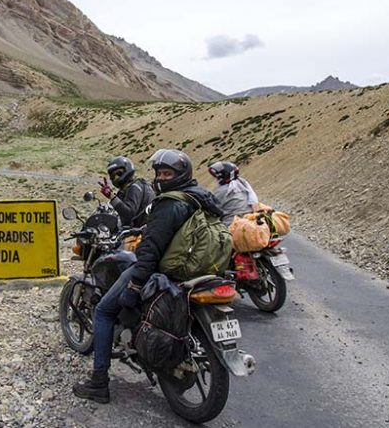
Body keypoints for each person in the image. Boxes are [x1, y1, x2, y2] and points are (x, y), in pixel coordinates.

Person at [73, 149, 223, 403]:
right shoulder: (202, 197)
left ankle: (98, 383)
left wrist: (135, 285)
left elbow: (151, 250)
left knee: (104, 311)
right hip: (201, 269)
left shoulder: (170, 203)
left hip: (164, 267)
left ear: (181, 174)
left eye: (168, 173)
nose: (162, 178)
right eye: (160, 173)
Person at [98, 156, 155, 227]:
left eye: (119, 173)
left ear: (127, 170)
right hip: (138, 229)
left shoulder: (135, 187)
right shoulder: (126, 189)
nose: (116, 178)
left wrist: (111, 196)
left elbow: (129, 214)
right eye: (112, 176)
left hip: (142, 231)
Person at [208, 161, 259, 226]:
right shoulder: (242, 185)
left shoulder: (223, 191)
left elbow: (213, 210)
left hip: (232, 225)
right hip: (250, 220)